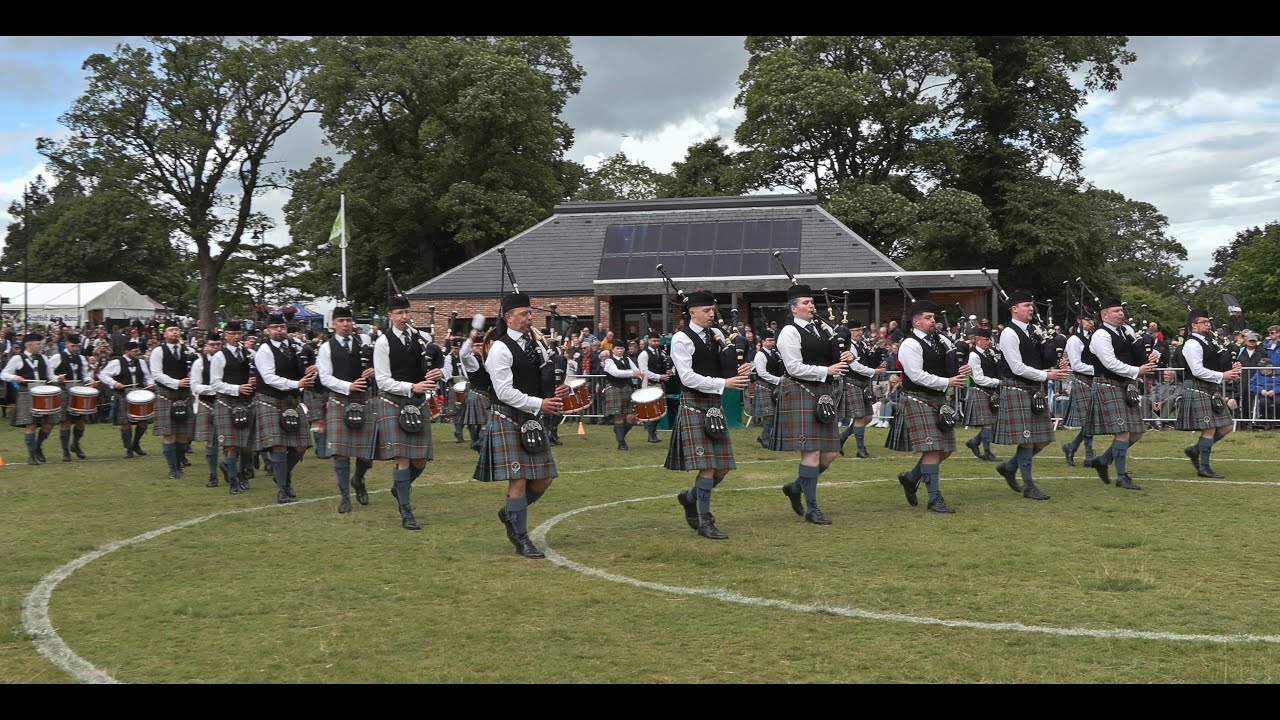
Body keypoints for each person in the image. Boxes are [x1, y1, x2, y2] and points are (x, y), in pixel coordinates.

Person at [475, 291, 570, 558]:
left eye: (530, 313)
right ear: (509, 317)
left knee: (544, 478)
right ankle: (521, 537)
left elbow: (540, 379)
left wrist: (554, 391)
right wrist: (540, 404)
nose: (530, 318)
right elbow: (503, 391)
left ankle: (510, 513)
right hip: (508, 417)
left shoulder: (536, 345)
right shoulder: (500, 348)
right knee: (518, 481)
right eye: (524, 314)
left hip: (530, 418)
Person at [666, 289, 751, 539]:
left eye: (712, 309)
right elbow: (687, 377)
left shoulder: (715, 334)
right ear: (692, 313)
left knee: (722, 468)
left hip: (714, 405)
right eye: (706, 310)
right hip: (694, 403)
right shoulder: (681, 339)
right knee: (707, 467)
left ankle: (690, 498)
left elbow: (725, 365)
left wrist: (741, 367)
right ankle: (705, 521)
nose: (711, 314)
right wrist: (724, 384)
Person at [768, 284, 852, 525]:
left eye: (812, 302)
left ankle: (796, 487)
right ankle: (812, 508)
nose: (811, 306)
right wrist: (827, 370)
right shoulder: (789, 332)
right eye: (805, 303)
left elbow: (835, 355)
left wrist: (847, 356)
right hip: (799, 392)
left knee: (831, 453)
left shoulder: (822, 329)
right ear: (793, 309)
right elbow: (793, 367)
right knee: (812, 451)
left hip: (823, 393)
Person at [888, 300, 971, 513]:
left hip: (938, 399)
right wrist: (947, 382)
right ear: (916, 322)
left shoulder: (940, 340)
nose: (933, 321)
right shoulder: (910, 344)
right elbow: (916, 375)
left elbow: (949, 363)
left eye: (933, 317)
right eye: (928, 318)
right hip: (918, 398)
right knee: (933, 449)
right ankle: (934, 499)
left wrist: (961, 370)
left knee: (946, 450)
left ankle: (911, 477)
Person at [991, 291, 1072, 501]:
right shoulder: (1008, 333)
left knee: (1043, 439)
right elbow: (1017, 367)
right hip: (1017, 388)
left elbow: (1039, 359)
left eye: (1031, 305)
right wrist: (1047, 375)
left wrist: (1055, 362)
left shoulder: (1033, 330)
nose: (1031, 308)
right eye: (1027, 305)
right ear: (1014, 308)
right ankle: (1028, 486)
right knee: (1027, 440)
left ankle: (1009, 466)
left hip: (1033, 388)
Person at [375, 293, 442, 529]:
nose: (404, 317)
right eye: (399, 313)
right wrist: (411, 386)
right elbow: (382, 381)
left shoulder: (421, 338)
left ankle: (399, 486)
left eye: (407, 312)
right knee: (403, 458)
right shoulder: (382, 343)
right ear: (390, 316)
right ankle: (406, 512)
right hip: (393, 402)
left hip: (418, 403)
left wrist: (438, 373)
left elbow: (440, 363)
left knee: (421, 460)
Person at [1084, 297, 1158, 490]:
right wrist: (1137, 371)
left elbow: (1132, 355)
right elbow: (1110, 362)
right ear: (1104, 314)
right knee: (1123, 431)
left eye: (1121, 310)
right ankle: (1121, 476)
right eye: (1116, 311)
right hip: (1107, 384)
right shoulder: (1101, 335)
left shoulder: (1126, 332)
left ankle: (1103, 460)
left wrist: (1149, 357)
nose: (1120, 314)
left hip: (1124, 385)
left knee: (1137, 432)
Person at [318, 306, 378, 514]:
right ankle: (344, 497)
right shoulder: (326, 348)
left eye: (348, 320)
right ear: (333, 323)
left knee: (366, 454)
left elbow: (381, 366)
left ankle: (358, 480)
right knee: (340, 453)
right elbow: (324, 377)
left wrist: (375, 370)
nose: (345, 324)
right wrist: (348, 386)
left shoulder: (366, 343)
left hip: (364, 400)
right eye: (341, 320)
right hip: (339, 400)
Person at [254, 312, 318, 504]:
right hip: (270, 400)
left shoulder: (295, 347)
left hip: (291, 400)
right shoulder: (263, 351)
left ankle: (280, 474)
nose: (279, 330)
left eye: (281, 327)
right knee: (279, 447)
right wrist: (297, 384)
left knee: (300, 446)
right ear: (268, 330)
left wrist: (312, 370)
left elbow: (306, 368)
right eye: (275, 328)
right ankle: (283, 488)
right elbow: (269, 378)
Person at [1175, 308, 1242, 478]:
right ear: (1194, 325)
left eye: (1208, 322)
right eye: (1204, 322)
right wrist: (1223, 375)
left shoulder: (1209, 342)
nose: (1208, 324)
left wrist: (1231, 368)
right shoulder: (1192, 344)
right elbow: (1197, 370)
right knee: (1210, 428)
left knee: (1226, 426)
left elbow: (1217, 363)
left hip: (1210, 387)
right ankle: (1204, 467)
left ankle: (1195, 450)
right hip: (1197, 386)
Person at [209, 321, 259, 493]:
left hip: (248, 401)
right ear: (225, 335)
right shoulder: (219, 356)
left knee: (247, 445)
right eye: (232, 333)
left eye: (239, 333)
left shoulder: (250, 354)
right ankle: (233, 482)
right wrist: (236, 388)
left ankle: (243, 475)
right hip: (227, 402)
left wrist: (255, 381)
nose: (236, 337)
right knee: (231, 445)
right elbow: (215, 383)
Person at [1, 332, 64, 464]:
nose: (40, 346)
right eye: (38, 343)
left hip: (44, 393)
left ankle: (37, 447)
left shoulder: (44, 358)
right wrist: (14, 377)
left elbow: (50, 376)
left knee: (48, 424)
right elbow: (3, 374)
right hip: (26, 393)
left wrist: (58, 378)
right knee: (31, 424)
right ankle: (31, 456)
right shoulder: (18, 358)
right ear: (29, 345)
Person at [150, 319, 196, 480]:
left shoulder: (188, 350)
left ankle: (179, 461)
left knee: (183, 434)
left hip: (184, 396)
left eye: (177, 330)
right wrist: (177, 383)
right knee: (169, 433)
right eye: (171, 330)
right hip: (166, 395)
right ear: (165, 334)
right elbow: (156, 374)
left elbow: (197, 368)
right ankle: (173, 468)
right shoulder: (158, 351)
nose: (175, 333)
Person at [98, 340, 154, 458]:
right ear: (126, 351)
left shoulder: (141, 362)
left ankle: (135, 444)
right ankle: (128, 449)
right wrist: (114, 383)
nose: (137, 353)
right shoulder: (116, 362)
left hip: (140, 394)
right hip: (123, 394)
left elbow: (148, 376)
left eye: (138, 351)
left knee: (143, 422)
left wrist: (150, 383)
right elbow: (102, 374)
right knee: (125, 423)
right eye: (134, 351)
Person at [838, 319, 883, 459]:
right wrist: (873, 372)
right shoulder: (848, 346)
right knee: (859, 417)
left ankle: (841, 438)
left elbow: (867, 360)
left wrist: (878, 354)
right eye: (856, 330)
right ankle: (860, 450)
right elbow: (855, 366)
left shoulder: (861, 344)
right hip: (853, 383)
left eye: (860, 330)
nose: (859, 332)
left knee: (868, 417)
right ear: (849, 333)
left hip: (863, 384)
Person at [1060, 311, 1098, 466]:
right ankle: (1088, 456)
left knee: (1093, 420)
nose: (1091, 323)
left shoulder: (1093, 338)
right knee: (1089, 420)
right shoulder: (1074, 340)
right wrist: (1098, 369)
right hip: (1082, 380)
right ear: (1079, 320)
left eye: (1092, 320)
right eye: (1087, 320)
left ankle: (1071, 447)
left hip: (1092, 380)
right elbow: (1076, 365)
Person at [54, 333, 97, 462]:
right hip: (64, 392)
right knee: (66, 422)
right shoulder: (58, 357)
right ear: (66, 344)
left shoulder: (81, 358)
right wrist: (57, 378)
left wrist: (90, 380)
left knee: (80, 423)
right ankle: (65, 451)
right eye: (73, 346)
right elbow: (49, 373)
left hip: (78, 392)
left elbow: (84, 375)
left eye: (77, 346)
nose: (75, 348)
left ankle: (75, 445)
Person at [962, 327, 1002, 462]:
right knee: (988, 423)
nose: (989, 342)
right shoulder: (974, 356)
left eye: (989, 339)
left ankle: (974, 442)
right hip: (979, 390)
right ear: (978, 340)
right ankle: (987, 452)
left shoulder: (989, 352)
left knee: (992, 422)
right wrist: (998, 382)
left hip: (990, 391)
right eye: (986, 339)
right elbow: (978, 378)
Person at [189, 331, 223, 487]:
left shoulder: (227, 360)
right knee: (211, 441)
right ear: (205, 346)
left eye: (218, 345)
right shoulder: (199, 363)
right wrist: (217, 389)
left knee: (231, 442)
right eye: (212, 345)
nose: (215, 347)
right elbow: (195, 386)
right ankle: (213, 475)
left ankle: (231, 468)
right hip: (208, 403)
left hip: (227, 403)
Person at [602, 342, 645, 450]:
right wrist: (632, 373)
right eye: (618, 348)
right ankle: (621, 443)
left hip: (628, 389)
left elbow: (637, 371)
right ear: (613, 350)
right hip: (615, 389)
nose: (620, 350)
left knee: (631, 417)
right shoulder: (609, 361)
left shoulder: (627, 359)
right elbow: (616, 373)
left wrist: (640, 376)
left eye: (621, 348)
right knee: (619, 416)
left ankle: (619, 433)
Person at [749, 329, 783, 448]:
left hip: (774, 387)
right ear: (763, 341)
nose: (771, 342)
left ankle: (764, 436)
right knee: (769, 414)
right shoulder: (760, 355)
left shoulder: (775, 354)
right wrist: (778, 380)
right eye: (769, 340)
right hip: (764, 386)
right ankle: (766, 439)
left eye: (772, 340)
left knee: (775, 414)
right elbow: (762, 373)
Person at [1249, 357, 1278, 423]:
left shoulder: (1278, 374)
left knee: (1278, 402)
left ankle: (1277, 420)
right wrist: (1261, 390)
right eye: (1260, 366)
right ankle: (1267, 421)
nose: (1261, 368)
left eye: (1263, 366)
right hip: (1262, 395)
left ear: (1270, 366)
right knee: (1263, 402)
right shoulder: (1257, 375)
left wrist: (1275, 391)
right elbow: (1251, 385)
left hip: (1277, 394)